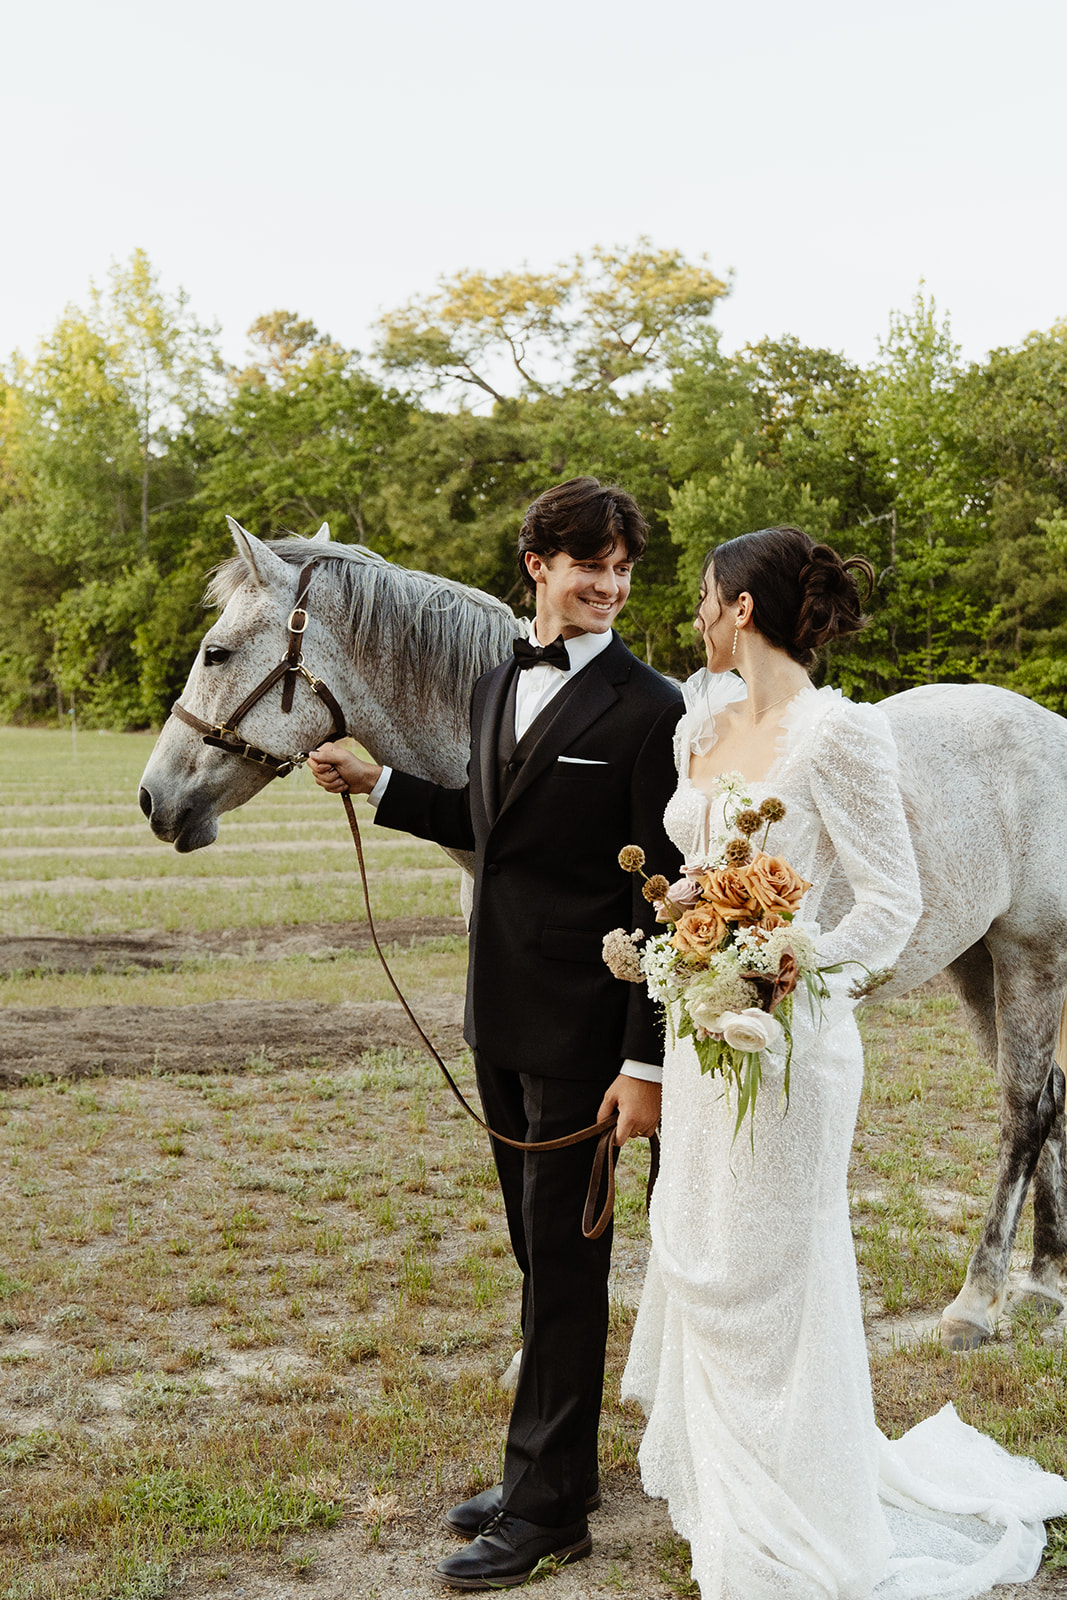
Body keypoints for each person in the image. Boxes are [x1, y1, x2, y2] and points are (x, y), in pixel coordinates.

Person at [622, 524, 1067, 1599]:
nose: (692, 614)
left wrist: (789, 965)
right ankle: (728, 1481)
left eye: (702, 596)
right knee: (702, 1244)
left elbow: (892, 904)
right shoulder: (705, 722)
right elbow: (705, 863)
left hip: (790, 1037)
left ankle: (800, 1500)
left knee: (777, 1269)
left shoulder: (840, 737)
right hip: (699, 1030)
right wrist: (687, 915)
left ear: (739, 608)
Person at [308, 477, 683, 1591]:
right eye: (588, 566)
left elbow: (656, 899)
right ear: (538, 566)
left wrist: (643, 1057)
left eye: (620, 570)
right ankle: (543, 1470)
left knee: (566, 1268)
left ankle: (549, 1511)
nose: (607, 587)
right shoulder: (491, 683)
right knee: (535, 1256)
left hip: (587, 1034)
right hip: (497, 1016)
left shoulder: (649, 707)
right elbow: (488, 821)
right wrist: (379, 786)